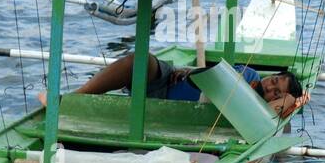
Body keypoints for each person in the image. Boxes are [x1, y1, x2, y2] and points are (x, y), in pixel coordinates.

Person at [51, 53, 310, 117]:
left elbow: (282, 108)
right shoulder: (249, 73)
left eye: (277, 91)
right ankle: (72, 99)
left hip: (177, 116)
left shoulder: (259, 111)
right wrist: (184, 71)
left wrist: (294, 101)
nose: (270, 87)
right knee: (138, 61)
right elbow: (213, 75)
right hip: (169, 83)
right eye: (274, 80)